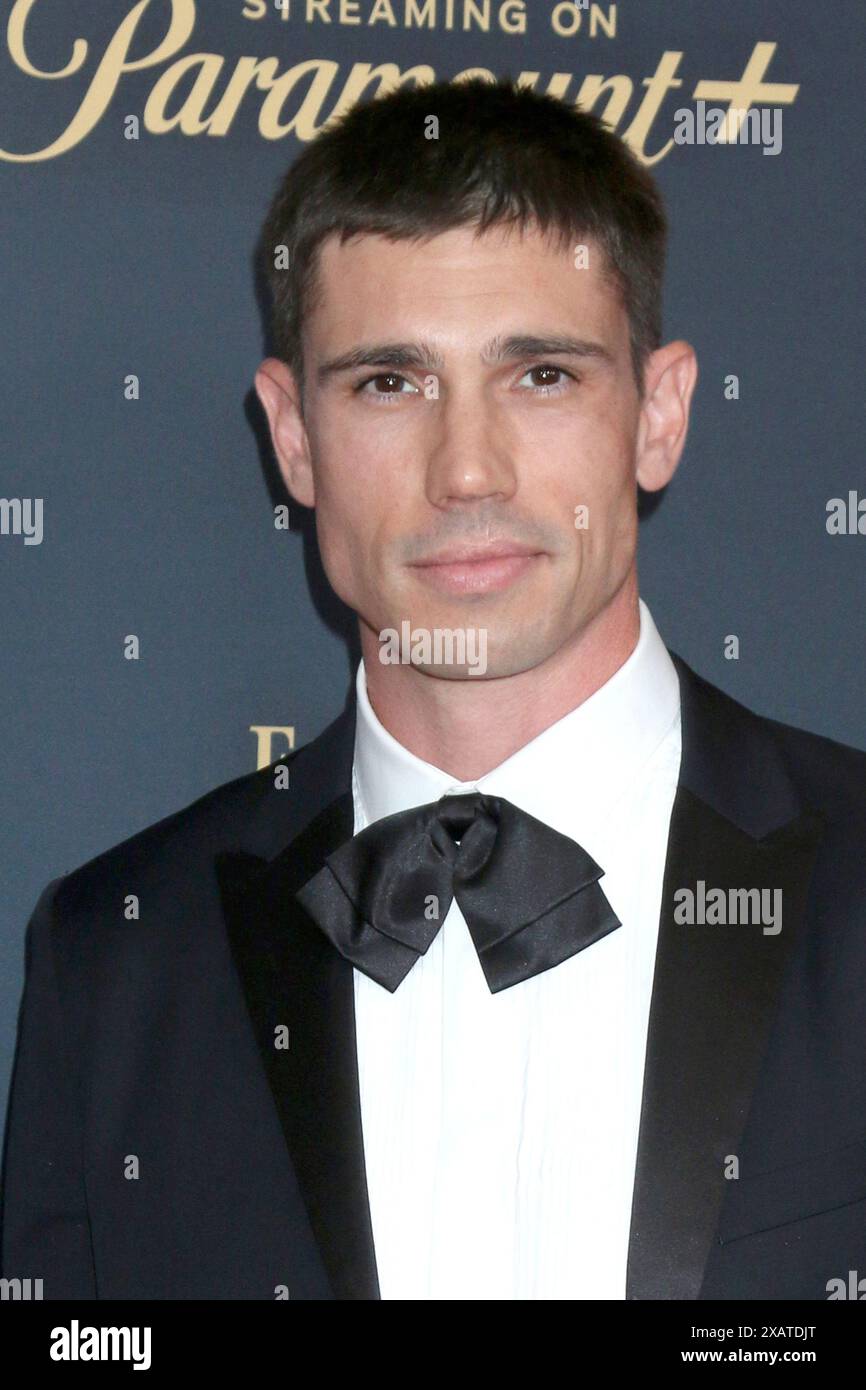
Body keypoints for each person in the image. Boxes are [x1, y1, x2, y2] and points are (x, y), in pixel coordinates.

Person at [2, 77, 865, 1302]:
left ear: (657, 415)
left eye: (541, 375)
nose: (466, 468)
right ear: (292, 439)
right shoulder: (115, 963)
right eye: (388, 383)